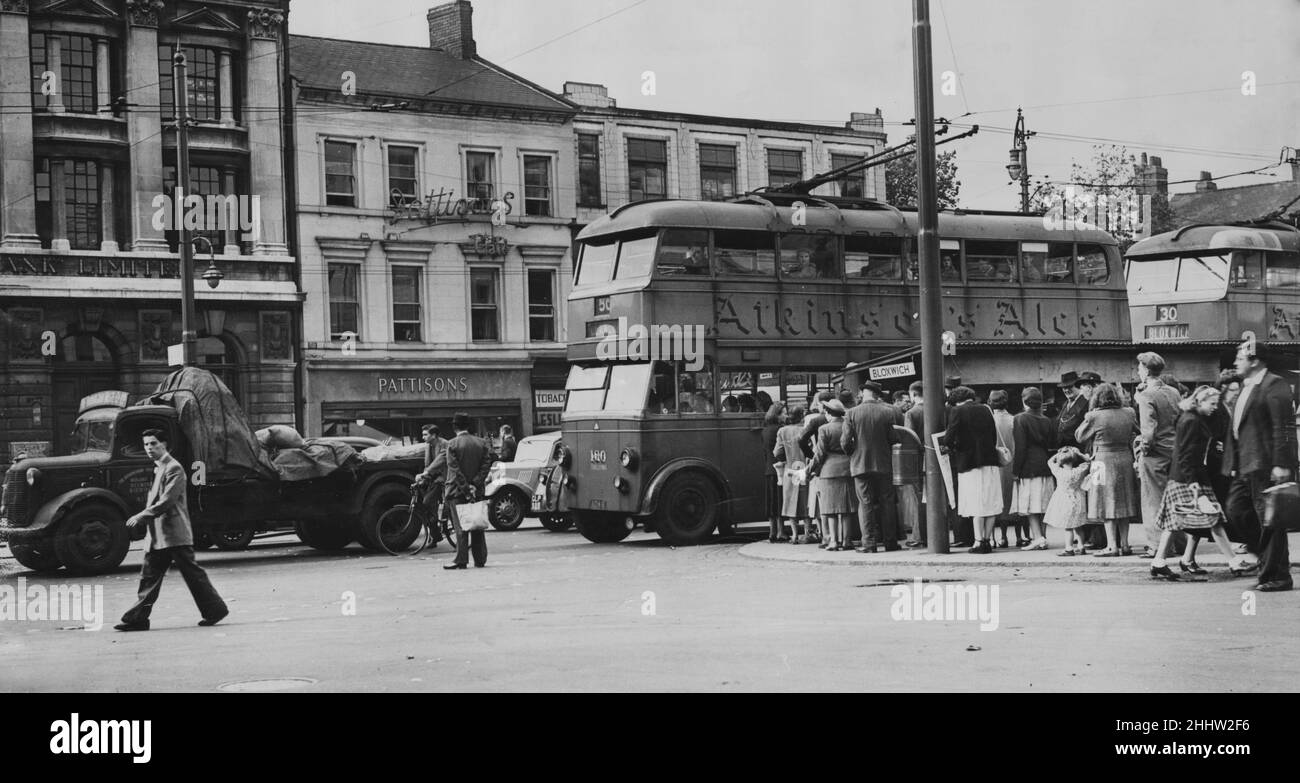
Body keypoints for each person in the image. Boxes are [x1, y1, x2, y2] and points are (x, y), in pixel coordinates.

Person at [117, 429, 228, 631]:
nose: (149, 448)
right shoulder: (160, 467)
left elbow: (167, 501)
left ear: (165, 444)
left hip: (174, 534)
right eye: (146, 445)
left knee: (192, 575)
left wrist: (141, 516)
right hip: (159, 535)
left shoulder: (174, 468)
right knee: (149, 577)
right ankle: (138, 619)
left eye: (153, 444)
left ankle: (215, 610)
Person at [1150, 386, 1257, 580]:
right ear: (1199, 401)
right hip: (1190, 479)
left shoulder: (1192, 418)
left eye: (1217, 403)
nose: (1215, 407)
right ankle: (1233, 561)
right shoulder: (1192, 421)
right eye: (1212, 403)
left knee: (1177, 522)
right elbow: (1186, 454)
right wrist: (1194, 484)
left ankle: (1159, 561)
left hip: (1187, 477)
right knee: (1211, 519)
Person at [1223, 342, 1297, 592]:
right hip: (1245, 465)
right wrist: (1234, 462)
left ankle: (1276, 575)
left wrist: (1281, 464)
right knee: (1235, 512)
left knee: (1270, 520)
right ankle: (1268, 562)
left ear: (1255, 360)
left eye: (1240, 358)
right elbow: (1237, 430)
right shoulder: (1247, 386)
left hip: (1265, 464)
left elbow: (1283, 428)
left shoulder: (1273, 384)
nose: (1236, 362)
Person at [1076, 383, 1141, 557]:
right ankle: (1125, 545)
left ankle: (1112, 546)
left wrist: (1090, 416)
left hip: (1101, 461)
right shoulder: (1129, 413)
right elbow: (1138, 430)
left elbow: (1080, 436)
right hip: (1125, 458)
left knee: (1104, 503)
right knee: (1125, 502)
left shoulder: (1093, 416)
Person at [841, 381, 903, 553]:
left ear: (863, 393)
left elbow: (845, 441)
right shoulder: (887, 412)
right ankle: (890, 542)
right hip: (884, 463)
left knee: (865, 503)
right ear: (877, 394)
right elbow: (894, 438)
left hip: (860, 464)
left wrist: (853, 453)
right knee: (887, 502)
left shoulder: (852, 413)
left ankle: (869, 543)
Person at [1133, 352, 1184, 560]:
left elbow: (1148, 431)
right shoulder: (1173, 391)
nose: (1138, 371)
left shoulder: (1147, 396)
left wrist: (1141, 453)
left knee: (1152, 501)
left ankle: (1156, 546)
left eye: (1139, 367)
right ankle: (1178, 543)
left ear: (1145, 370)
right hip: (1174, 451)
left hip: (1155, 454)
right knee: (1173, 499)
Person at [942, 386, 1004, 554]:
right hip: (990, 461)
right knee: (990, 502)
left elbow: (949, 437)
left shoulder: (957, 411)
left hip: (969, 462)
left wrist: (952, 446)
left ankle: (977, 541)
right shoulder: (986, 409)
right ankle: (987, 540)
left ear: (956, 399)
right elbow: (993, 436)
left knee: (976, 503)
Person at [442, 412, 494, 570]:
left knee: (460, 527)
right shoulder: (482, 443)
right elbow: (486, 465)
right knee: (476, 524)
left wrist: (465, 488)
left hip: (457, 492)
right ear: (468, 426)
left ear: (454, 427)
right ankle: (480, 559)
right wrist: (474, 485)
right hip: (477, 491)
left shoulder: (452, 444)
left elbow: (455, 470)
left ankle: (461, 559)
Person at [1012, 387, 1055, 550]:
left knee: (1030, 505)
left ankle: (1037, 538)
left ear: (1024, 401)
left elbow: (1020, 447)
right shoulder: (1046, 420)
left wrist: (1016, 471)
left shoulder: (1020, 419)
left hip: (1028, 466)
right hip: (1044, 464)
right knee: (1043, 505)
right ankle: (1042, 537)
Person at [809, 399, 855, 550]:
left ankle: (834, 541)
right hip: (848, 468)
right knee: (847, 508)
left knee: (830, 509)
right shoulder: (849, 426)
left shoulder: (824, 429)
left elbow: (820, 454)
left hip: (829, 471)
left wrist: (809, 469)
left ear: (829, 413)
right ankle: (847, 541)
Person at [988, 390, 1025, 547]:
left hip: (995, 466)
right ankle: (1018, 536)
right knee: (1013, 500)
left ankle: (997, 537)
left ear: (990, 402)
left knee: (995, 500)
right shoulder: (1014, 420)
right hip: (1012, 464)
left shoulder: (988, 420)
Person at [774, 406, 812, 544]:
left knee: (790, 501)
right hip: (804, 469)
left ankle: (795, 535)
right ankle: (807, 533)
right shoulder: (805, 430)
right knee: (805, 501)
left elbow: (777, 453)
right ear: (801, 416)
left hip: (790, 470)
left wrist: (785, 458)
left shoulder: (782, 431)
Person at [1046, 447, 1092, 554]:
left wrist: (1059, 454)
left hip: (1065, 502)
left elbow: (1049, 462)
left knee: (1068, 527)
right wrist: (1079, 453)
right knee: (1078, 525)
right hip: (1078, 500)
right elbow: (1088, 461)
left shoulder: (1058, 471)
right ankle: (1081, 546)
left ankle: (1069, 548)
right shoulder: (1079, 471)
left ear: (1060, 461)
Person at [413, 424, 450, 546]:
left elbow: (440, 460)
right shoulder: (428, 445)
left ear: (433, 435)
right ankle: (435, 535)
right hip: (433, 479)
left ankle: (443, 528)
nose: (423, 437)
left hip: (444, 479)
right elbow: (427, 464)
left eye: (425, 434)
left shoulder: (444, 444)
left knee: (429, 502)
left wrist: (426, 472)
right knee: (426, 506)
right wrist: (423, 478)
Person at [902, 380, 927, 548]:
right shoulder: (938, 408)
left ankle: (918, 535)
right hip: (934, 458)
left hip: (917, 460)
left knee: (917, 498)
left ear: (913, 394)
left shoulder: (912, 413)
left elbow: (908, 439)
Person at [763, 401, 788, 543]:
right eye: (784, 413)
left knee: (771, 501)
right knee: (779, 501)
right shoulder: (781, 430)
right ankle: (781, 531)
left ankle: (771, 531)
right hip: (780, 469)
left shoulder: (765, 430)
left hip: (768, 468)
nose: (786, 415)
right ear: (777, 415)